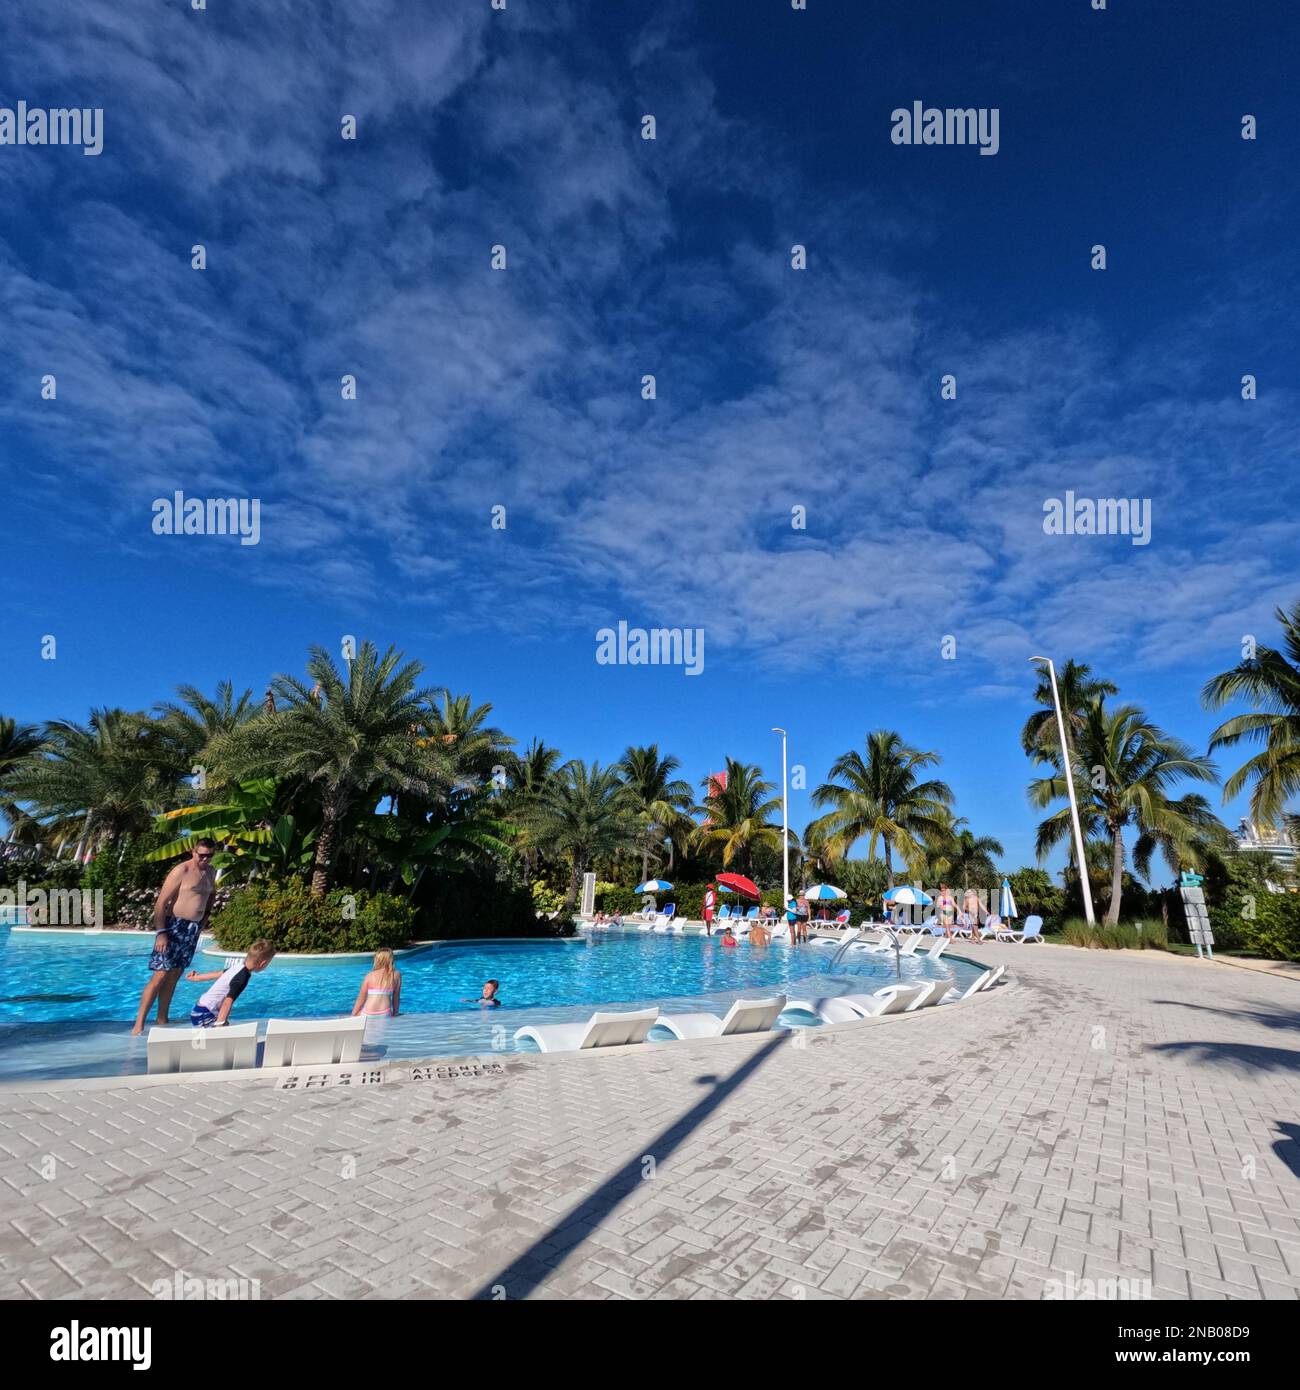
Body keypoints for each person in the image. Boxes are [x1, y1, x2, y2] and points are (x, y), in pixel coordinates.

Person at [131, 838, 220, 1035]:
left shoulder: (210, 872)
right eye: (202, 855)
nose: (205, 859)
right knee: (160, 975)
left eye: (209, 856)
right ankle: (139, 1024)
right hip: (173, 926)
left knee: (175, 975)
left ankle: (162, 1018)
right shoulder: (182, 870)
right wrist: (161, 933)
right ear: (193, 851)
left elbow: (211, 894)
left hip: (192, 929)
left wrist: (204, 918)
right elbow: (160, 903)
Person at [186, 940, 275, 1027]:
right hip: (205, 1013)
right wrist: (219, 1025)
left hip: (199, 1008)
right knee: (218, 1035)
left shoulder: (238, 966)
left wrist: (196, 977)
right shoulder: (242, 977)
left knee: (223, 1026)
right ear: (262, 963)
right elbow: (227, 1002)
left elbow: (217, 974)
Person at [352, 948, 402, 1019]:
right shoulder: (396, 975)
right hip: (385, 1013)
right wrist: (395, 1013)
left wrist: (354, 1014)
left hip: (368, 1013)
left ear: (377, 960)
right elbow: (396, 998)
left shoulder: (370, 975)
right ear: (391, 960)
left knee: (355, 1013)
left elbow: (361, 998)